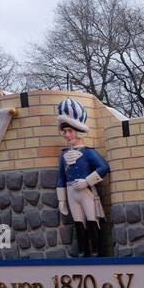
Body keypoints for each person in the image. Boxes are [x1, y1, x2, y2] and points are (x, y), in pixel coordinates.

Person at [54, 98, 111, 257]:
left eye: (70, 131)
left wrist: (87, 181)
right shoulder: (64, 155)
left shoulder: (88, 152)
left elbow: (104, 167)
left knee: (93, 221)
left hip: (86, 191)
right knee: (78, 223)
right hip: (71, 192)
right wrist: (62, 199)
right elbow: (61, 178)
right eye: (65, 132)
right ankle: (83, 251)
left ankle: (97, 251)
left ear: (77, 131)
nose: (67, 135)